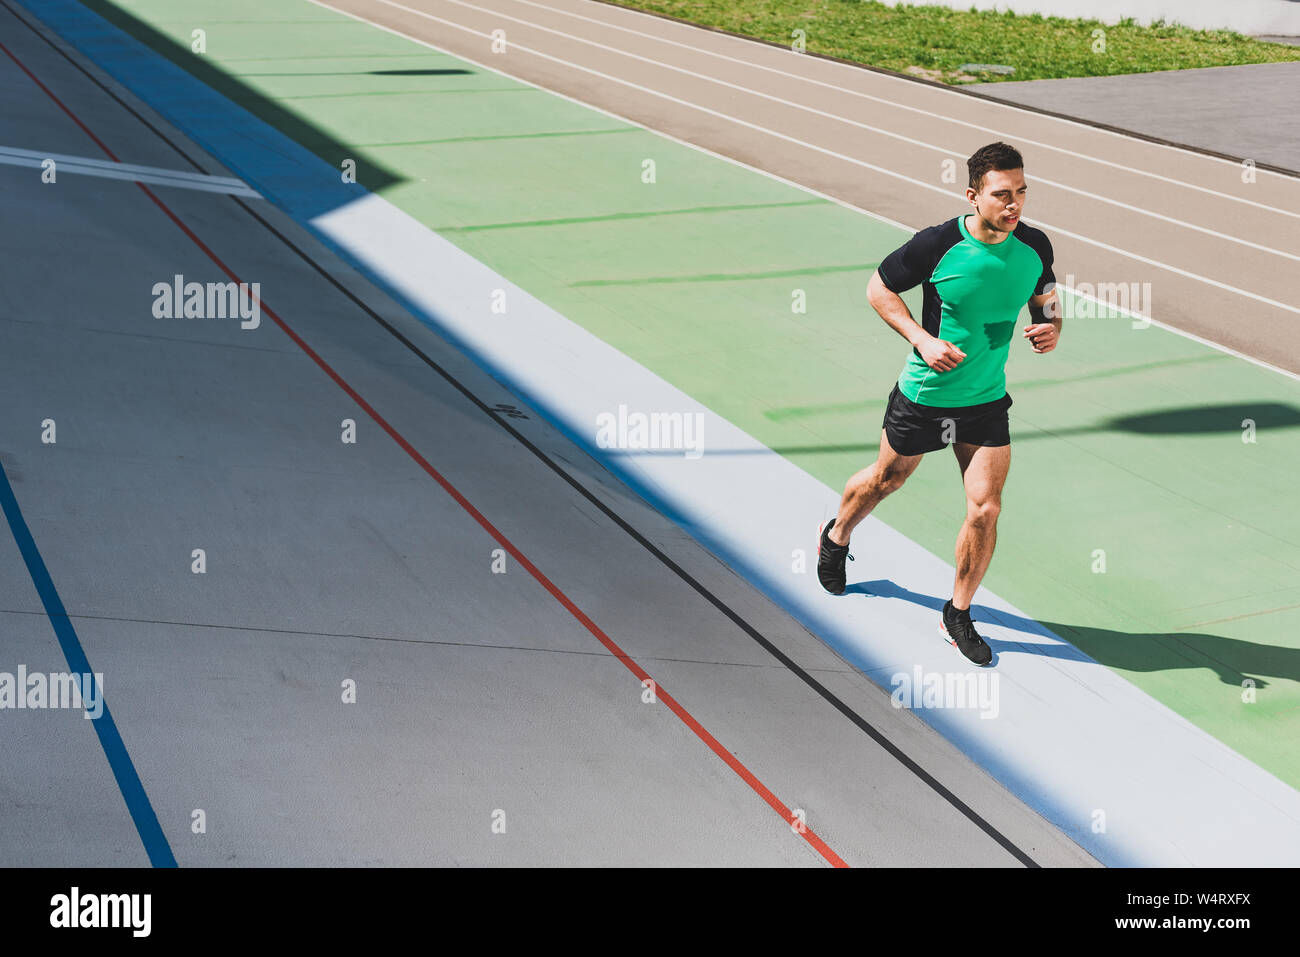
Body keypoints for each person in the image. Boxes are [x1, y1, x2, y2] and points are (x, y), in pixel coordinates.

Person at [817, 142, 1061, 666]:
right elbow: (879, 289)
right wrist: (921, 339)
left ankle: (958, 610)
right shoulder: (936, 245)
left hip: (986, 401)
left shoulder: (1036, 245)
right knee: (887, 480)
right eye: (1002, 195)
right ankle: (836, 535)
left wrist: (1051, 325)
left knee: (985, 508)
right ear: (973, 196)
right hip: (926, 396)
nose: (1014, 204)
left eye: (1021, 192)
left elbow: (1045, 292)